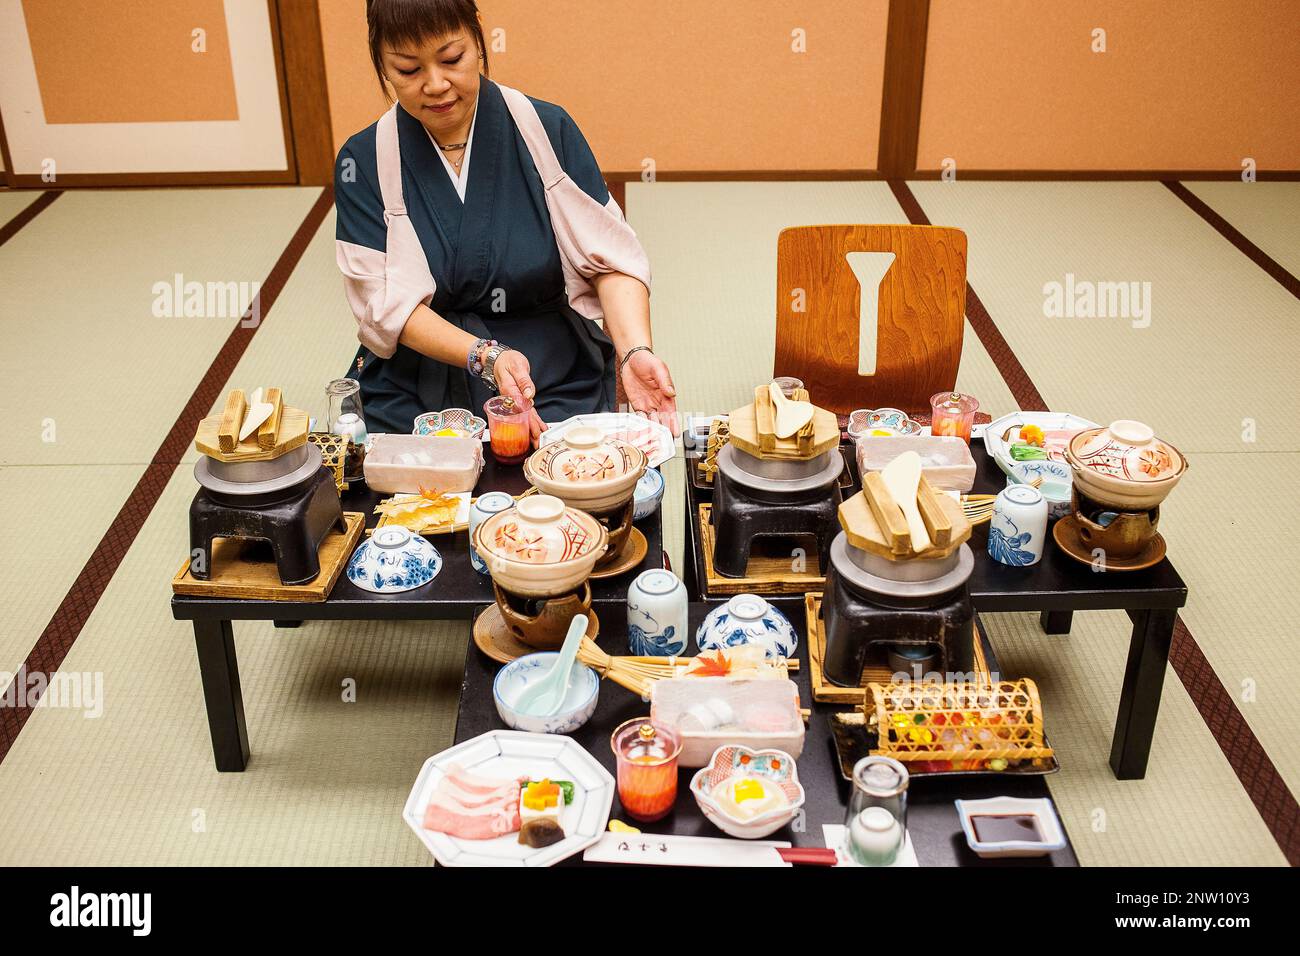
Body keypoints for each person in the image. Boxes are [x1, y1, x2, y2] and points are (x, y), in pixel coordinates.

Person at [335, 0, 677, 444]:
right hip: (416, 376)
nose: (436, 85)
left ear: (478, 41)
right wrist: (485, 356)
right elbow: (387, 307)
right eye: (408, 70)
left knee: (569, 485)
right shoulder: (364, 160)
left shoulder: (546, 130)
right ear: (382, 65)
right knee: (405, 501)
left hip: (547, 369)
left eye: (452, 59)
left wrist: (635, 350)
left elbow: (609, 261)